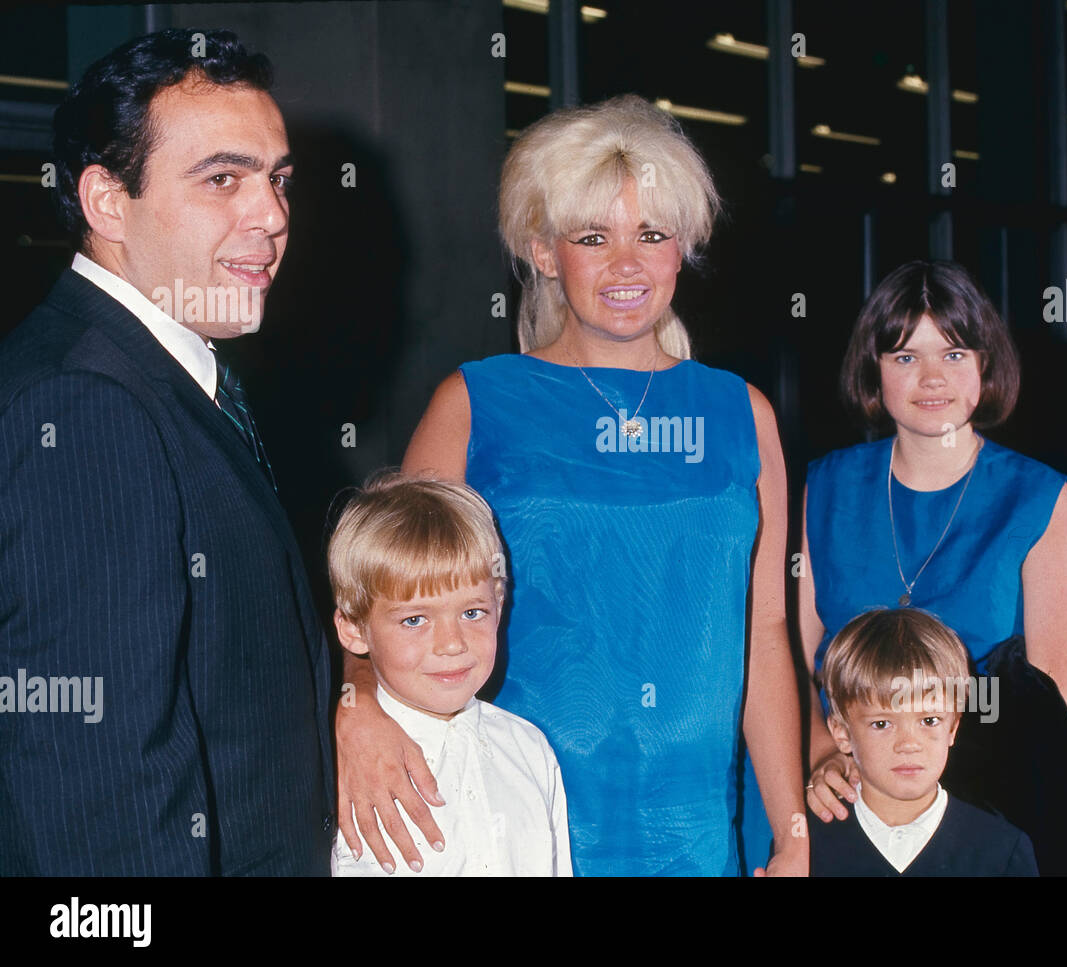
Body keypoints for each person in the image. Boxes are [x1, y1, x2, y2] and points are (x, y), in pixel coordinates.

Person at [335, 94, 806, 876]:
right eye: (594, 236)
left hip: (693, 834)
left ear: (681, 247)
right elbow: (377, 592)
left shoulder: (741, 413)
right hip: (509, 820)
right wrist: (353, 709)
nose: (627, 264)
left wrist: (790, 828)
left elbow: (764, 632)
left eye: (651, 235)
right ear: (544, 251)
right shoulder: (477, 402)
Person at [0, 29, 333, 874]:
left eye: (278, 179)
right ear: (109, 202)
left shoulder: (154, 366)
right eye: (223, 179)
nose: (273, 215)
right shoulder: (85, 405)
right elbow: (100, 790)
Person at [800, 260, 1067, 873]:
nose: (932, 377)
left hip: (984, 800)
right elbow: (801, 658)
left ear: (985, 368)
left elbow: (1064, 705)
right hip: (845, 784)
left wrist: (914, 776)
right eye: (905, 357)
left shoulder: (1036, 496)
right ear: (872, 371)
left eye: (955, 354)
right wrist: (822, 750)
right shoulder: (827, 483)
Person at [327, 474, 571, 876]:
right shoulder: (340, 768)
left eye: (472, 612)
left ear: (499, 603)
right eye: (415, 619)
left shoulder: (529, 749)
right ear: (354, 629)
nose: (452, 643)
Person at [810, 608, 1038, 876]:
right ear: (842, 734)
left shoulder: (1001, 850)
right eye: (882, 724)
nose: (908, 744)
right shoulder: (808, 843)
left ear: (953, 728)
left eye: (929, 721)